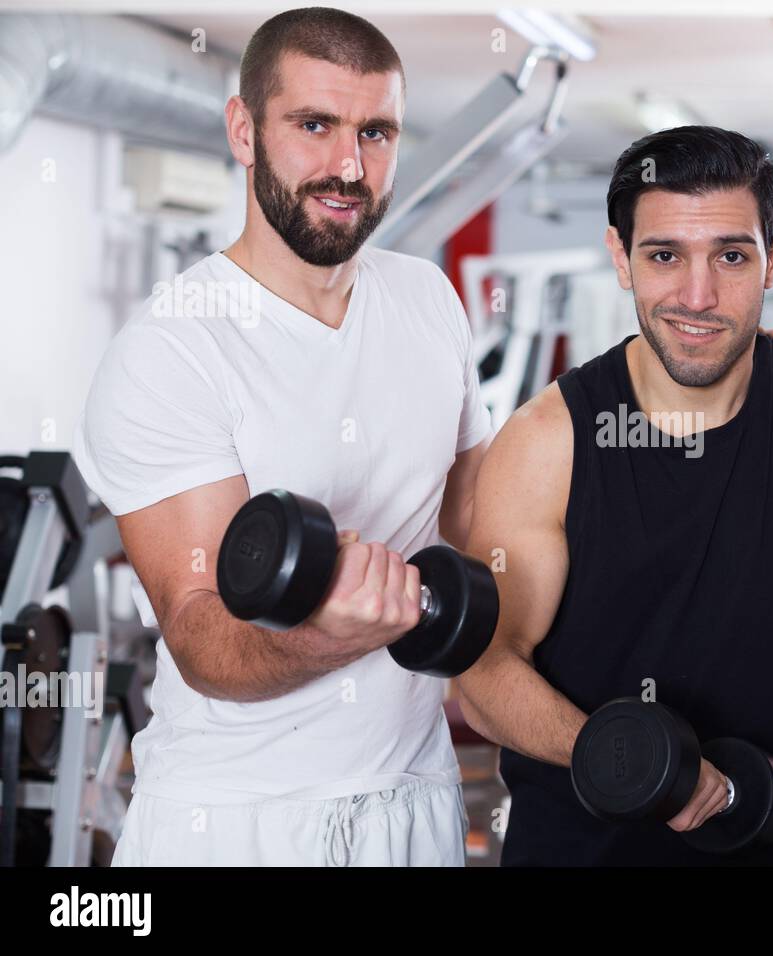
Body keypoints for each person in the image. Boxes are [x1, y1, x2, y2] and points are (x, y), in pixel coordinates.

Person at [456, 126, 773, 865]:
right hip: (586, 851)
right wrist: (631, 761)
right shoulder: (546, 442)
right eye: (663, 256)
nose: (699, 296)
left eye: (730, 256)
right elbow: (486, 671)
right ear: (620, 259)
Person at [73, 7, 490, 866]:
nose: (349, 165)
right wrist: (338, 630)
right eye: (314, 125)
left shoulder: (428, 299)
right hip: (237, 819)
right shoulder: (173, 348)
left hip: (415, 800)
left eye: (376, 132)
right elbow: (202, 639)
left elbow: (480, 523)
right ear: (244, 130)